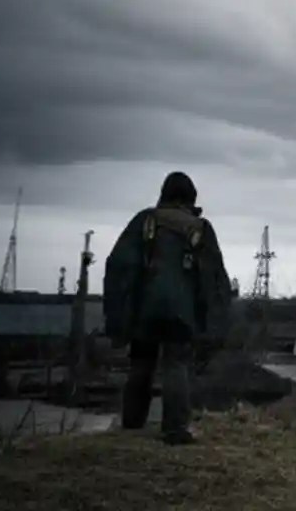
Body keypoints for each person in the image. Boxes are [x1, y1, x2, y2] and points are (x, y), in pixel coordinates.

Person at [103, 171, 233, 445]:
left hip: (145, 309)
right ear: (191, 198)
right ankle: (175, 429)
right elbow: (215, 281)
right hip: (181, 312)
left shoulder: (145, 221)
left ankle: (132, 425)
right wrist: (215, 326)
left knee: (141, 365)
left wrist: (117, 317)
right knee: (176, 365)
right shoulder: (200, 228)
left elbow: (119, 267)